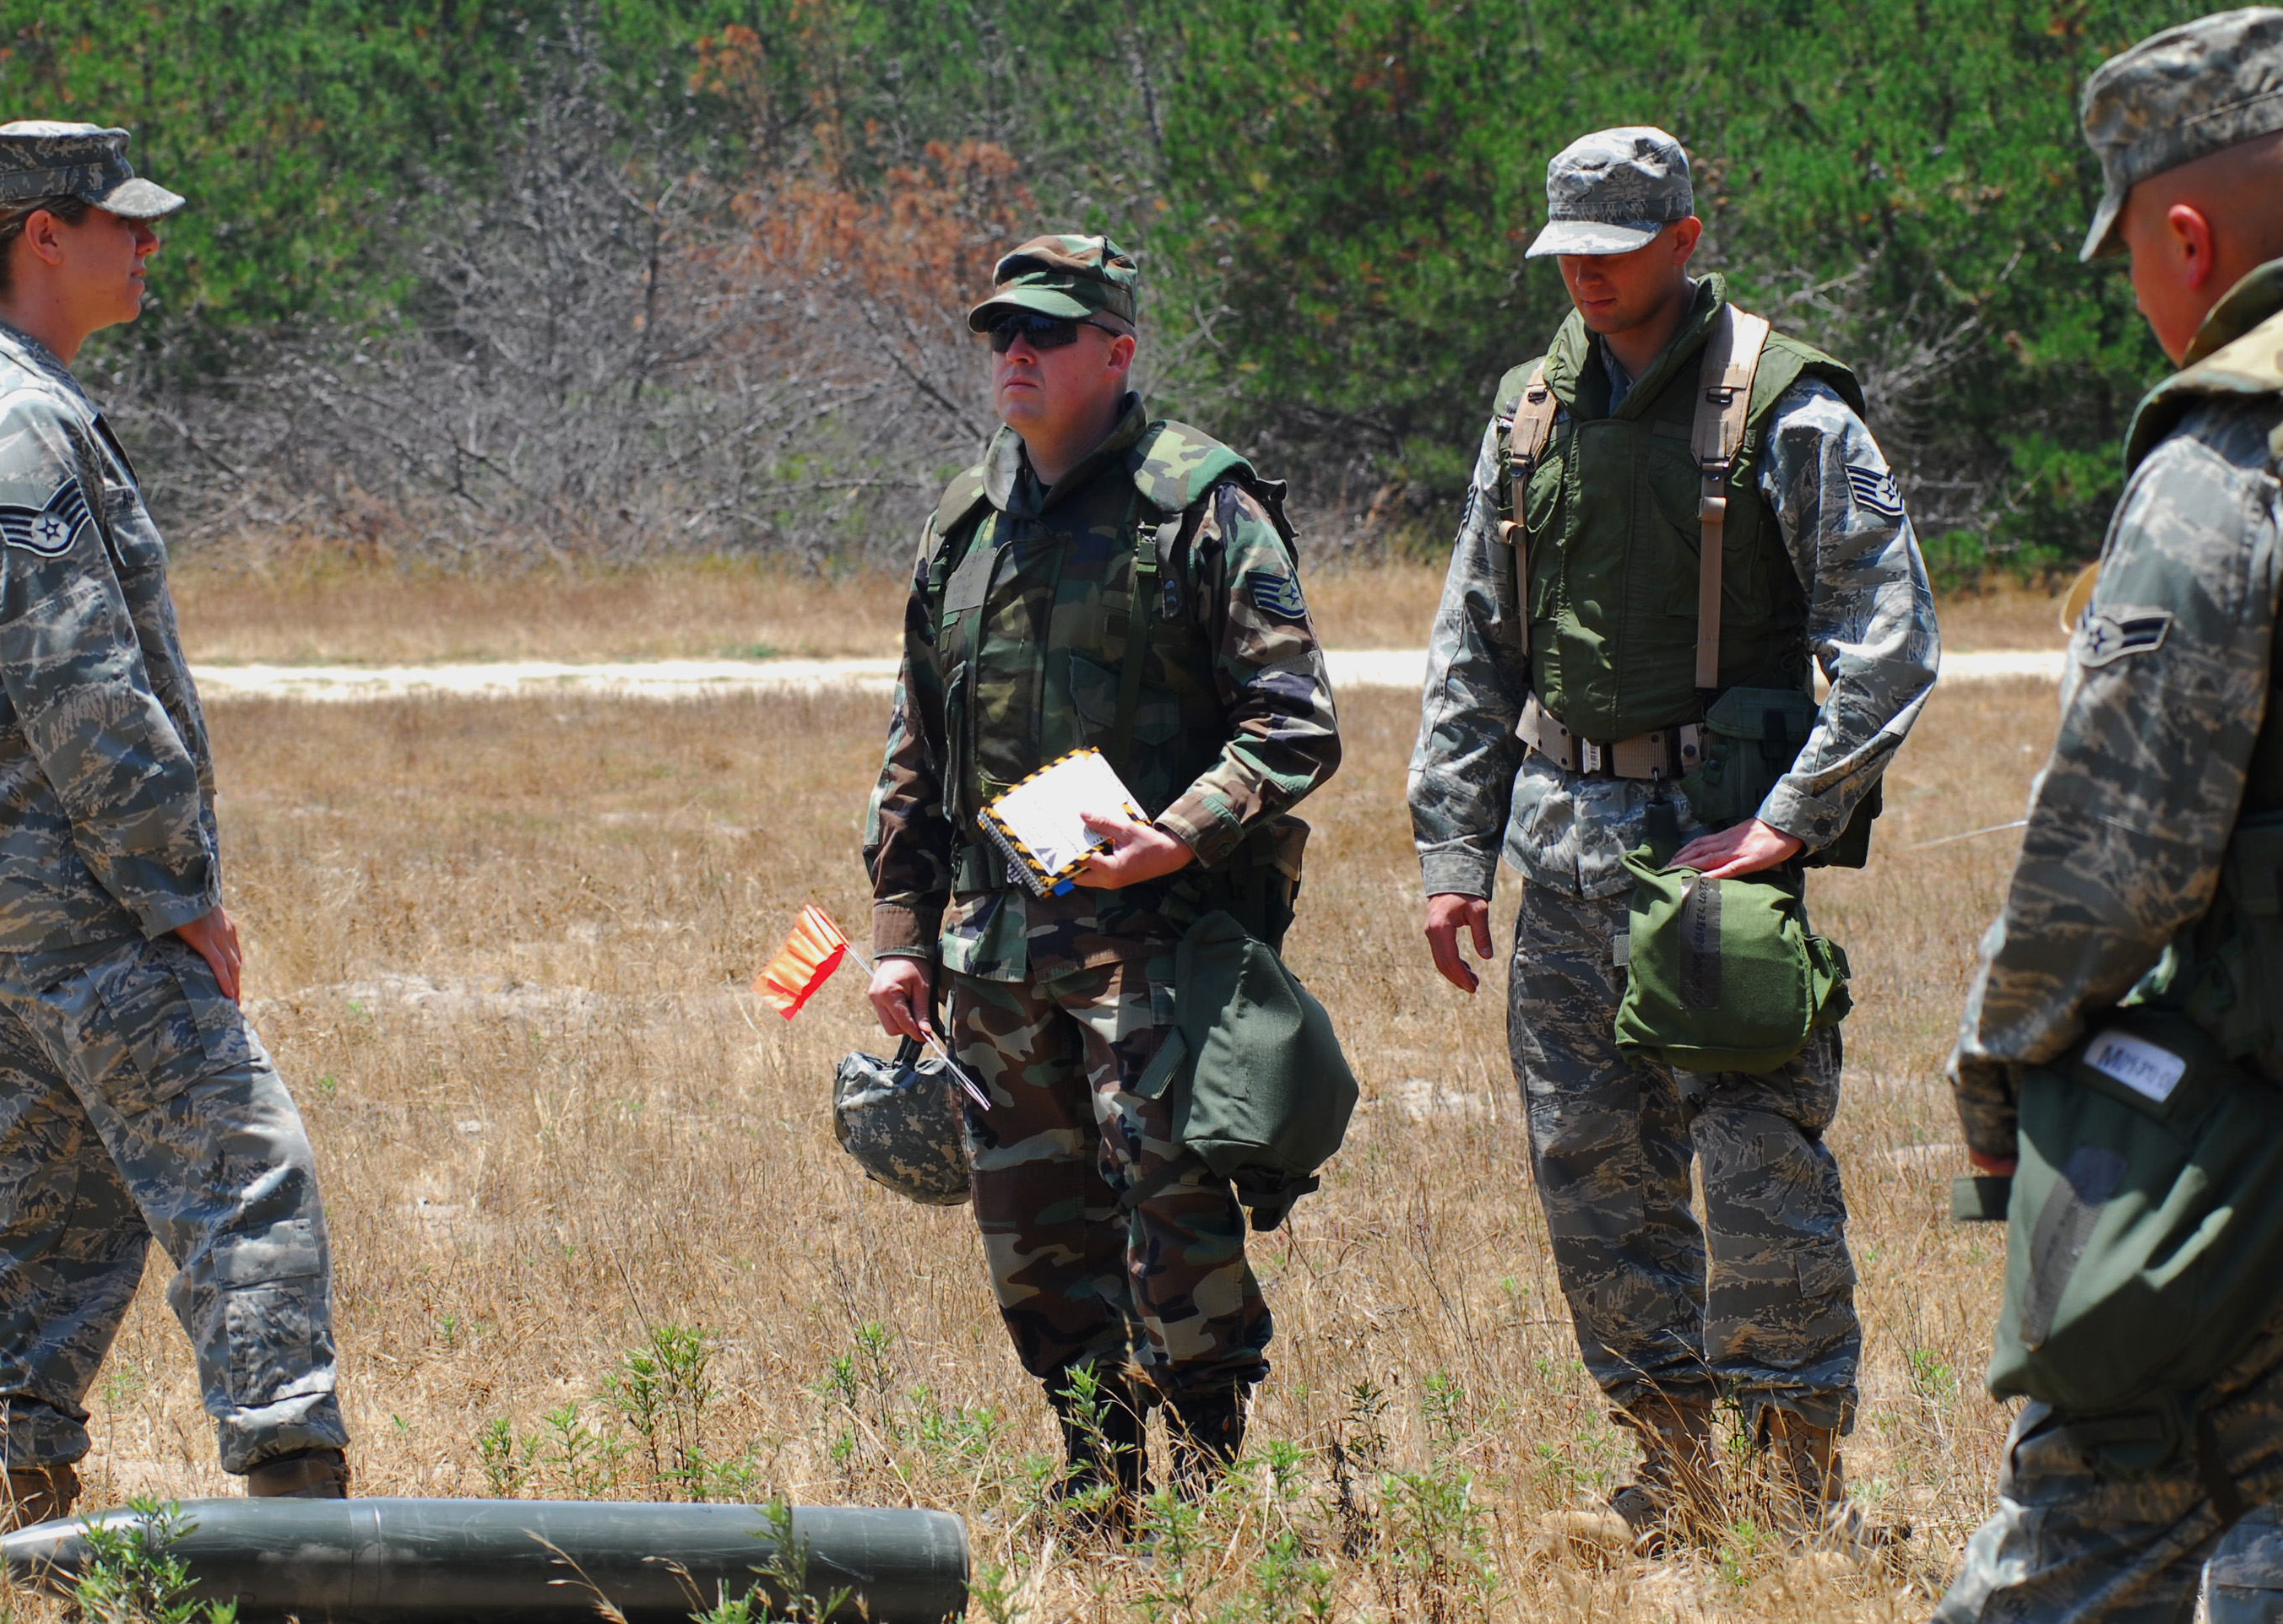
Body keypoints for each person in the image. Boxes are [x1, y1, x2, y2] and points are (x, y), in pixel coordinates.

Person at [1407, 127, 1939, 1546]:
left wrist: (1788, 818)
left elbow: (1891, 644)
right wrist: (1452, 855)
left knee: (1761, 1175)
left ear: (1685, 239)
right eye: (1565, 249)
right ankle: (1672, 1481)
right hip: (1560, 859)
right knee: (1597, 1182)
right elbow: (1474, 653)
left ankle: (1799, 1495)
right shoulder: (1527, 413)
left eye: (1615, 245)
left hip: (1718, 870)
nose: (1584, 273)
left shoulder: (1786, 408)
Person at [0, 122, 350, 1529]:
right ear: (42, 235)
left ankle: (16, 1526)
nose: (148, 244)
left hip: (19, 908)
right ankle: (303, 1525)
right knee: (247, 1170)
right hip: (90, 900)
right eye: (121, 223)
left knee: (49, 1219)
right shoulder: (18, 425)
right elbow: (84, 688)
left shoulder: (5, 405)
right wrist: (179, 892)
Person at [863, 235, 1339, 1525]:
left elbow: (1292, 724)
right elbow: (917, 750)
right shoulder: (962, 528)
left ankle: (1208, 1480)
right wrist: (901, 933)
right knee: (1037, 1236)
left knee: (1173, 1214)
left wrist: (1183, 830)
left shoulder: (1200, 506)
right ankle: (1098, 1479)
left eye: (1046, 333)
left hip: (1158, 940)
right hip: (994, 955)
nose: (1014, 354)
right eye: (1000, 335)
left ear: (1115, 353)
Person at [1937, 12, 2283, 1620]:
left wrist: (2000, 1050)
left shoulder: (2229, 468)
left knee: (2086, 1548)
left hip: (2251, 1166)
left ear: (2187, 235)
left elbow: (2112, 863)